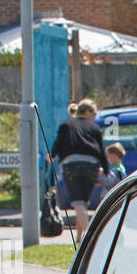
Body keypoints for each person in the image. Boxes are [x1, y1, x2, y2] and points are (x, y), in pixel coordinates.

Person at [51, 98, 110, 241]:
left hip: (71, 165)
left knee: (78, 204)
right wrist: (106, 170)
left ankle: (90, 236)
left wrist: (52, 156)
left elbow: (58, 143)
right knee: (83, 203)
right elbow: (101, 150)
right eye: (94, 112)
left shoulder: (66, 124)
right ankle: (78, 239)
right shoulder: (94, 128)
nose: (95, 115)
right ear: (86, 111)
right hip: (91, 165)